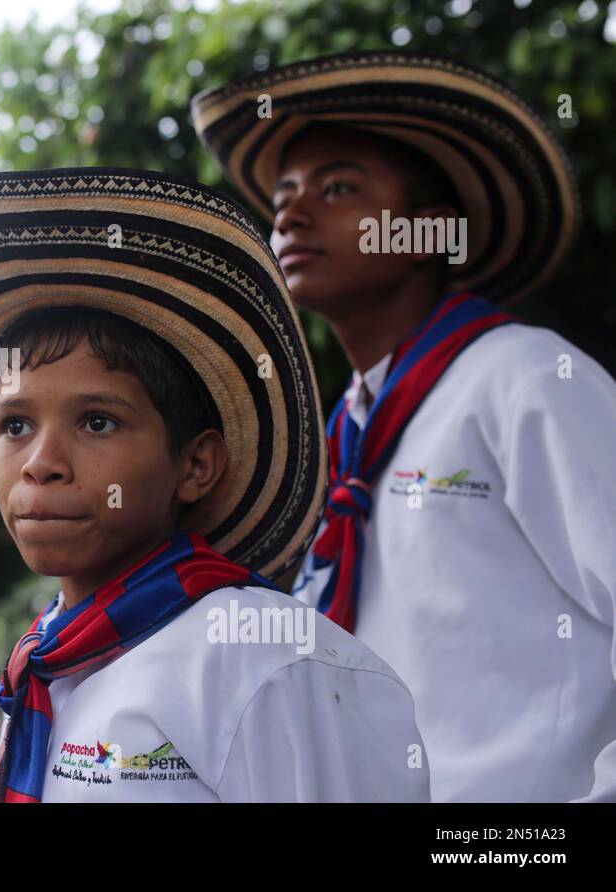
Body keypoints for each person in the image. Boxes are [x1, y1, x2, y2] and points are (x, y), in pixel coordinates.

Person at [0, 167, 430, 802]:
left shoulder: (261, 662)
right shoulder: (47, 661)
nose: (41, 462)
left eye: (97, 421)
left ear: (196, 465)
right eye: (15, 424)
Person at [192, 51, 616, 801]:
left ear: (430, 232)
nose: (289, 213)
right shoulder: (339, 445)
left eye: (339, 187)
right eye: (285, 193)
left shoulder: (527, 380)